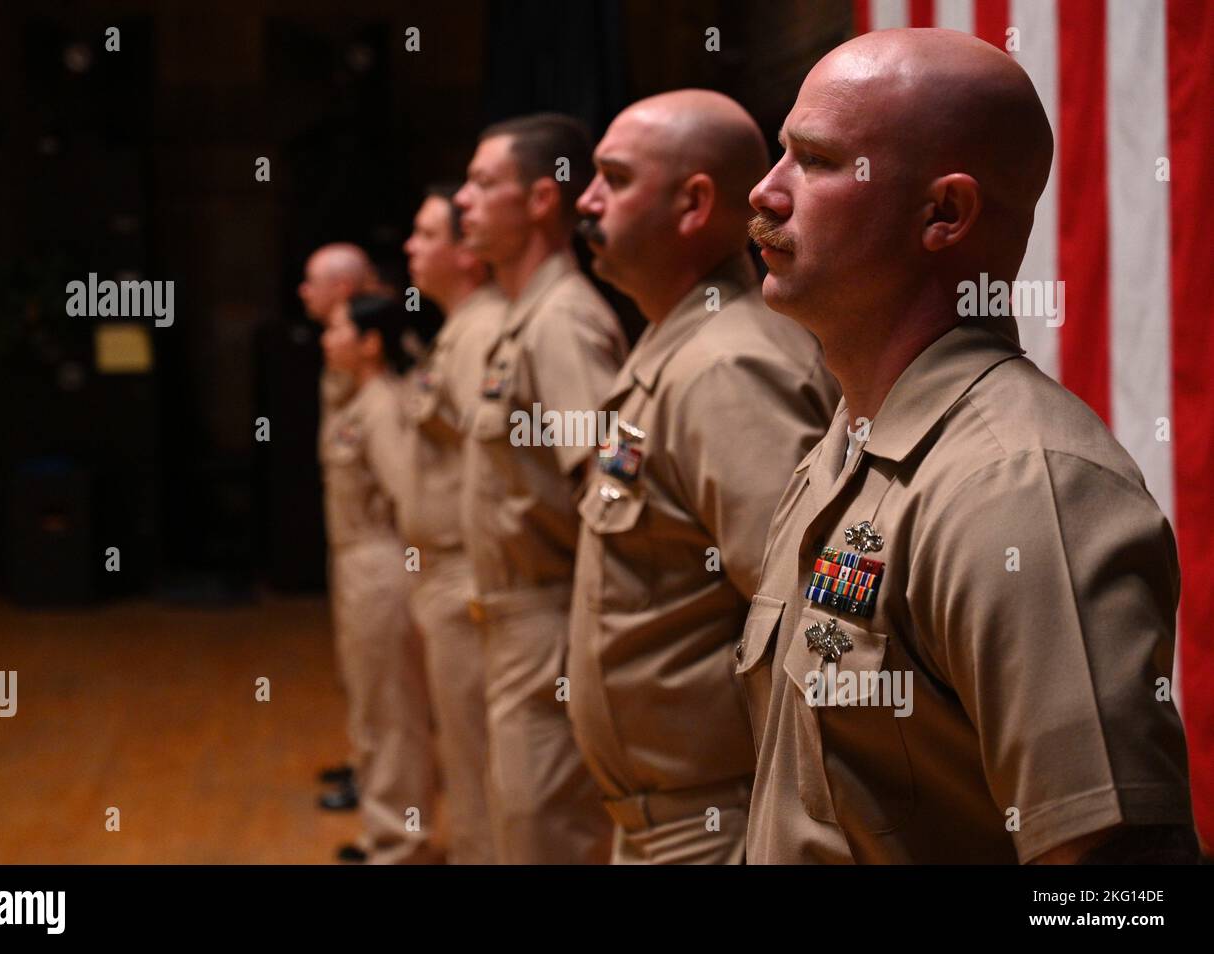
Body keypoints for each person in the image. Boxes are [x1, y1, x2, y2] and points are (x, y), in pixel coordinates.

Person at [738, 27, 1196, 864]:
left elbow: (1117, 888)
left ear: (943, 214)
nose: (766, 193)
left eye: (816, 161)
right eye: (780, 155)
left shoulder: (1023, 486)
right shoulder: (846, 450)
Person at [568, 89, 840, 864]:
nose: (585, 200)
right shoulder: (680, 342)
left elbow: (802, 619)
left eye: (613, 179)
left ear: (693, 204)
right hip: (665, 820)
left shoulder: (729, 365)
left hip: (719, 824)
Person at [453, 114, 627, 863]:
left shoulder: (560, 322)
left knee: (547, 840)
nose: (463, 199)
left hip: (552, 622)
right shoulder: (524, 318)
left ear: (539, 201)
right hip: (516, 620)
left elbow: (608, 493)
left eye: (484, 182)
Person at [396, 186, 505, 864]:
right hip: (444, 567)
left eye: (426, 234)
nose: (411, 247)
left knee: (481, 766)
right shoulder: (461, 329)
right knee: (467, 757)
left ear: (468, 255)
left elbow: (494, 466)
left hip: (472, 571)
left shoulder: (485, 330)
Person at [318, 295, 441, 864]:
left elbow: (408, 496)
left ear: (371, 343)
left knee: (393, 711)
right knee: (370, 705)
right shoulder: (356, 400)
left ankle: (400, 843)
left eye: (339, 327)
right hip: (355, 562)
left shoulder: (382, 405)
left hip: (382, 564)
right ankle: (382, 831)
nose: (327, 337)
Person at [297, 242, 381, 810]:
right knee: (363, 675)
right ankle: (367, 766)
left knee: (385, 686)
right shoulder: (343, 344)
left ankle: (387, 794)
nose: (303, 293)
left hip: (381, 544)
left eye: (311, 281)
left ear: (344, 288)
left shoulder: (379, 347)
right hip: (354, 536)